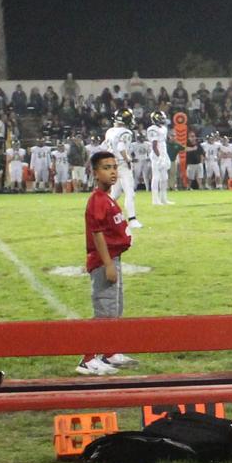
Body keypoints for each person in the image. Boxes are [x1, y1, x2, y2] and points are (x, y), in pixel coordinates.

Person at [77, 150, 134, 376]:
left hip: (113, 258)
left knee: (115, 309)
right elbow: (97, 233)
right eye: (106, 167)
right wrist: (108, 263)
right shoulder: (97, 200)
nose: (112, 171)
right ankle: (88, 359)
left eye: (113, 167)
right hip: (104, 261)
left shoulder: (107, 197)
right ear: (95, 172)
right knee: (104, 312)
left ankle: (109, 352)